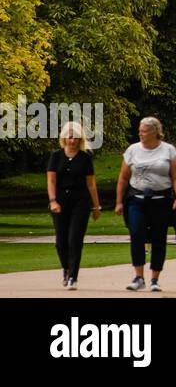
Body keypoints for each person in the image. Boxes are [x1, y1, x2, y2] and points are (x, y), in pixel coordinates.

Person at [116, 116, 176, 292]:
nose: (140, 133)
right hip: (136, 200)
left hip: (161, 201)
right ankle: (139, 276)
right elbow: (123, 178)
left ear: (155, 131)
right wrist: (118, 202)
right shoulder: (132, 150)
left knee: (158, 238)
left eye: (144, 130)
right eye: (139, 130)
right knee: (136, 233)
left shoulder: (168, 151)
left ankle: (154, 278)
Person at [47, 121, 100, 290]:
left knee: (74, 239)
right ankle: (66, 268)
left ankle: (73, 277)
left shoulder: (85, 158)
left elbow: (91, 184)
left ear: (80, 139)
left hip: (80, 201)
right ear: (64, 137)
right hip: (60, 201)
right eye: (69, 136)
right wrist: (53, 201)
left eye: (75, 137)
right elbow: (51, 180)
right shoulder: (56, 156)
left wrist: (96, 207)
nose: (72, 140)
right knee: (61, 241)